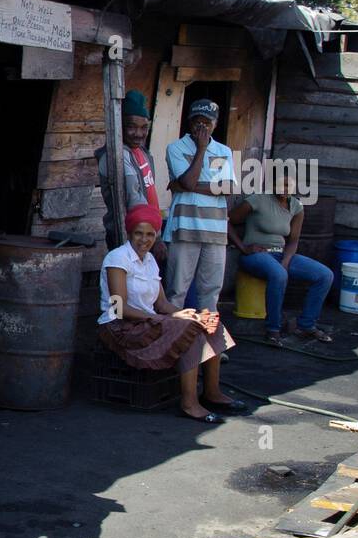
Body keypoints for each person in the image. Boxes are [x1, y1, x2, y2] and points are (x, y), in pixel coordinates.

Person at [99, 203, 246, 423]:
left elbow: (163, 304)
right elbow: (120, 309)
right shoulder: (117, 258)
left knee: (208, 322)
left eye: (150, 234)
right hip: (121, 327)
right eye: (139, 233)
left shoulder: (149, 261)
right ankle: (189, 403)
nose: (144, 239)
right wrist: (161, 319)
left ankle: (212, 393)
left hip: (147, 321)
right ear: (130, 233)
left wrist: (189, 314)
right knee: (189, 332)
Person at [229, 171, 334, 345]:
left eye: (288, 185)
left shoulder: (296, 206)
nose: (284, 188)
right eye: (281, 184)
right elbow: (226, 220)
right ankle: (273, 329)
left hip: (281, 254)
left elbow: (293, 241)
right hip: (256, 255)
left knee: (325, 275)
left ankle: (306, 325)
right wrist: (243, 247)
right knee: (279, 274)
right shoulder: (258, 200)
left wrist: (286, 260)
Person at [163, 99, 236, 311]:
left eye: (207, 123)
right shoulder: (175, 148)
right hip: (185, 229)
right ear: (189, 123)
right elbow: (188, 181)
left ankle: (206, 340)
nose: (202, 128)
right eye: (197, 122)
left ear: (216, 124)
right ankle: (173, 340)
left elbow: (228, 188)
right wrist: (202, 150)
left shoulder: (224, 151)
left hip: (215, 230)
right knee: (177, 290)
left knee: (211, 291)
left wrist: (184, 185)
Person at [96, 90, 165, 262]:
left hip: (147, 234)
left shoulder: (141, 152)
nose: (138, 134)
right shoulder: (115, 156)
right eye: (131, 127)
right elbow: (134, 197)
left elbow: (149, 194)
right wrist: (152, 236)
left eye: (143, 128)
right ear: (120, 126)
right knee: (128, 286)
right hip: (131, 235)